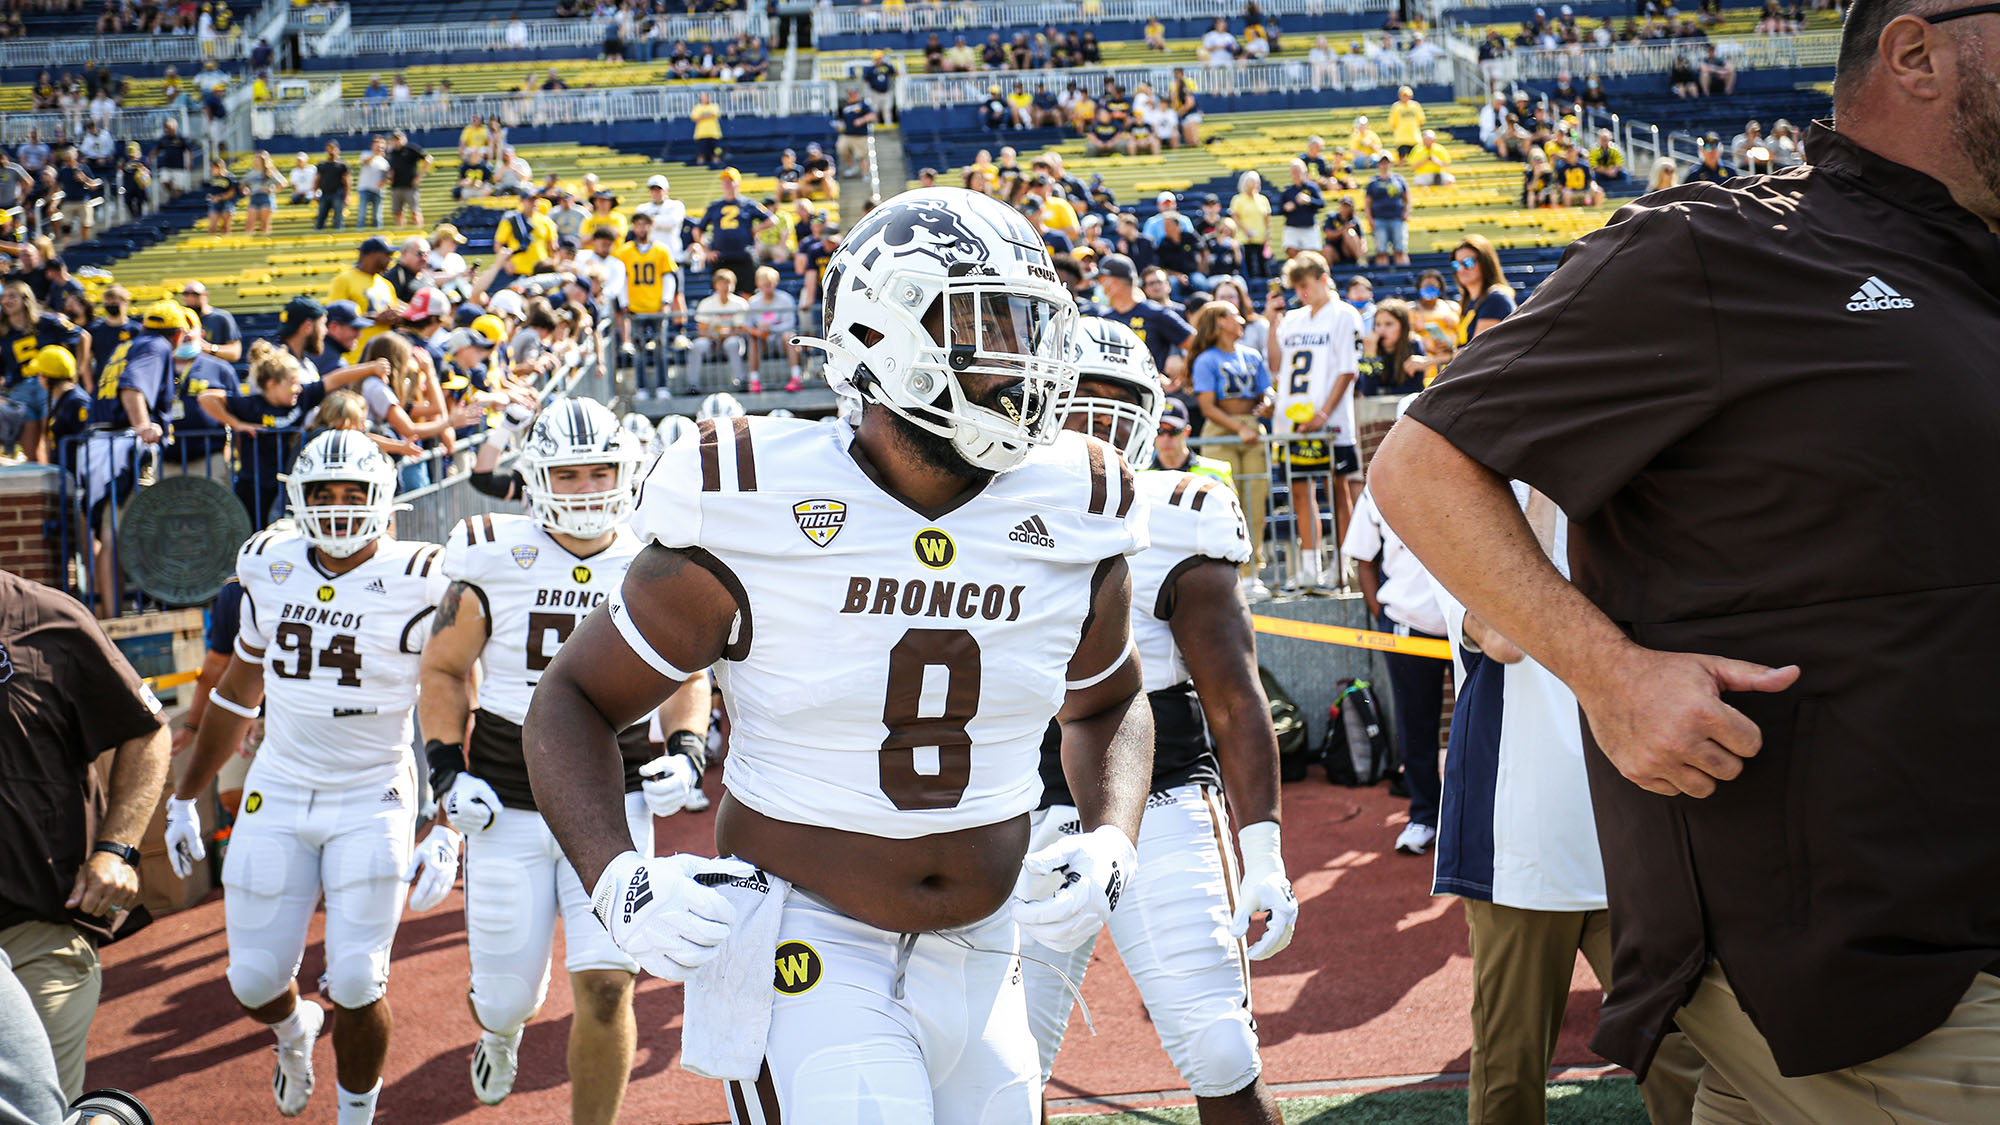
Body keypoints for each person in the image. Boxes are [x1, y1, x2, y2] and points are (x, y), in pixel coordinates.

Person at [1371, 2, 2000, 1118]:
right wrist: (1608, 673)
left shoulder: (1969, 272)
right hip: (1867, 976)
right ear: (1915, 52)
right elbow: (1422, 464)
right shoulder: (1717, 246)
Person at [521, 186, 1153, 1121]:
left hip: (991, 945)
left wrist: (1111, 835)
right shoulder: (749, 496)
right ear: (884, 333)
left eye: (1032, 324)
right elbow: (571, 699)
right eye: (989, 324)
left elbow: (1107, 703)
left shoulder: (1077, 501)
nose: (1025, 360)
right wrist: (618, 878)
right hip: (803, 936)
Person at [1026, 320, 1294, 1125]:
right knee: (1000, 1067)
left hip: (1164, 794)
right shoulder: (978, 507)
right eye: (1085, 400)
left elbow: (1235, 696)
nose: (1101, 421)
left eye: (1121, 403)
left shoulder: (1182, 509)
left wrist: (1266, 849)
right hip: (1018, 803)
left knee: (1218, 1047)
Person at [419, 399, 711, 1121]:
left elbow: (687, 672)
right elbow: (445, 669)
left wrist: (688, 749)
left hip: (614, 803)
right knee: (505, 997)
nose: (585, 489)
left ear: (627, 471)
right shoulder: (489, 549)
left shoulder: (657, 551)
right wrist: (444, 772)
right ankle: (500, 1030)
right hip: (507, 803)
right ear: (536, 477)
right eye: (568, 475)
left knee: (612, 982)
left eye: (599, 472)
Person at [167, 429, 449, 1124]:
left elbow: (456, 689)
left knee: (358, 978)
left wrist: (447, 817)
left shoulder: (426, 574)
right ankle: (294, 1030)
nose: (340, 507)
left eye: (356, 492)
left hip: (374, 787)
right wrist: (183, 794)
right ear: (298, 498)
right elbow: (239, 686)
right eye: (324, 493)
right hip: (282, 781)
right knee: (253, 980)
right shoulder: (270, 561)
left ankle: (356, 1115)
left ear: (384, 499)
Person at [1428, 485, 1706, 1125]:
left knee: (1684, 1062)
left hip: (1630, 832)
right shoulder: (1467, 515)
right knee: (1510, 1077)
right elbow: (1503, 635)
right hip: (1520, 841)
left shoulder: (1620, 512)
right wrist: (1548, 487)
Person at [0, 568, 169, 1100]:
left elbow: (145, 731)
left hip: (34, 927)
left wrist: (117, 850)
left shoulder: (49, 619)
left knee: (29, 1111)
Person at [1340, 481, 1447, 855]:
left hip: (1474, 627)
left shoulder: (1470, 468)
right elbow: (1363, 559)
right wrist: (1382, 617)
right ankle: (1424, 816)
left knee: (1482, 723)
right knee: (1415, 725)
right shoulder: (1380, 488)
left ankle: (1479, 815)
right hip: (1406, 624)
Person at [1264, 251, 1363, 591]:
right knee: (1300, 491)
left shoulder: (1344, 314)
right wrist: (1272, 322)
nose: (1301, 294)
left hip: (1331, 422)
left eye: (1305, 286)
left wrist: (1323, 415)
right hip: (1293, 421)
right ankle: (1310, 567)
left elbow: (1348, 370)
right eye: (1297, 288)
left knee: (1338, 491)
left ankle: (1341, 565)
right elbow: (1276, 366)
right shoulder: (1292, 319)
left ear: (1323, 278)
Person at [1187, 300, 1275, 598]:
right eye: (1235, 317)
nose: (1242, 321)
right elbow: (1207, 406)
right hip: (1221, 434)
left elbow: (1266, 391)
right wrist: (1239, 428)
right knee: (1224, 503)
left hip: (1252, 429)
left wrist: (1267, 404)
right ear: (1220, 322)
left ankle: (1253, 572)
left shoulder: (1251, 355)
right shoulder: (1206, 360)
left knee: (1256, 500)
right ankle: (1228, 573)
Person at [694, 169, 772, 293]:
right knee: (720, 294)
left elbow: (772, 220)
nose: (726, 184)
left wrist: (754, 230)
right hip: (721, 257)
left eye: (730, 181)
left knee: (748, 292)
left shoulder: (749, 204)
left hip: (744, 255)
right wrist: (706, 250)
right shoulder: (715, 206)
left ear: (738, 183)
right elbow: (697, 230)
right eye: (724, 181)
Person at [687, 267, 749, 392]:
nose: (725, 287)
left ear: (734, 285)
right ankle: (693, 384)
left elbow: (740, 329)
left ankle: (740, 381)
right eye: (721, 283)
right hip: (711, 341)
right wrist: (717, 334)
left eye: (728, 283)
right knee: (698, 345)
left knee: (732, 343)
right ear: (716, 285)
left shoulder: (740, 303)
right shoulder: (706, 303)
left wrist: (725, 334)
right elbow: (702, 330)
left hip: (732, 340)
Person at [1364, 156, 1412, 265]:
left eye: (1387, 163)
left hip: (1397, 218)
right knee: (1381, 251)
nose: (1384, 166)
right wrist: (1370, 219)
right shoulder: (1373, 182)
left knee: (1400, 249)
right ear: (1378, 165)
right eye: (1382, 163)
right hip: (1379, 219)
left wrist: (1406, 212)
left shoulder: (1399, 179)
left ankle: (1404, 273)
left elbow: (1407, 198)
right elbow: (1367, 203)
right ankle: (1382, 273)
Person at [178, 280, 241, 363]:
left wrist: (209, 348)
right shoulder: (181, 318)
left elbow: (235, 353)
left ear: (205, 296)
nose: (190, 298)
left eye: (195, 294)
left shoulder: (221, 318)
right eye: (186, 294)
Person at [1229, 171, 1272, 283]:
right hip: (1245, 238)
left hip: (1260, 237)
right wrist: (1246, 231)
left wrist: (1268, 233)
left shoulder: (1263, 199)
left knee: (1263, 263)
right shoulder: (1238, 199)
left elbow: (1267, 217)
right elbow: (1235, 217)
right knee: (1248, 264)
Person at [1276, 160, 1324, 259]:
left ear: (1304, 172)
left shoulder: (1312, 188)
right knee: (1291, 253)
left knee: (1312, 257)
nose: (1296, 174)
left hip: (1309, 227)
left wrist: (1309, 200)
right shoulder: (1288, 191)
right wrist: (1286, 208)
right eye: (1294, 171)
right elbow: (1280, 210)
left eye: (1298, 171)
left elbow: (1321, 203)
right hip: (1293, 227)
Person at [385, 130, 431, 227]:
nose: (396, 141)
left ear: (404, 138)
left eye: (398, 139)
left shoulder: (411, 149)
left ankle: (418, 231)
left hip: (410, 186)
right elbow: (391, 168)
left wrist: (419, 176)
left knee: (415, 212)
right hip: (396, 186)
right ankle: (400, 233)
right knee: (397, 213)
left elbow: (428, 159)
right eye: (394, 139)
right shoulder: (392, 152)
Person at [836, 86, 878, 182]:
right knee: (841, 149)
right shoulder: (845, 106)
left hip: (860, 135)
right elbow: (841, 119)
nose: (852, 96)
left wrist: (862, 120)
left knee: (861, 156)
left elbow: (873, 116)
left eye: (853, 93)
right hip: (846, 134)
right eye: (850, 94)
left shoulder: (863, 105)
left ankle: (865, 174)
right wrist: (839, 125)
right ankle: (852, 167)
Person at [315, 142, 349, 231]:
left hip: (338, 194)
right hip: (325, 194)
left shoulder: (342, 165)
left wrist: (347, 196)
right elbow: (317, 179)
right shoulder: (322, 165)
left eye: (333, 148)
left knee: (338, 219)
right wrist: (315, 192)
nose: (331, 151)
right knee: (320, 218)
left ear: (338, 150)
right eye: (329, 148)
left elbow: (347, 181)